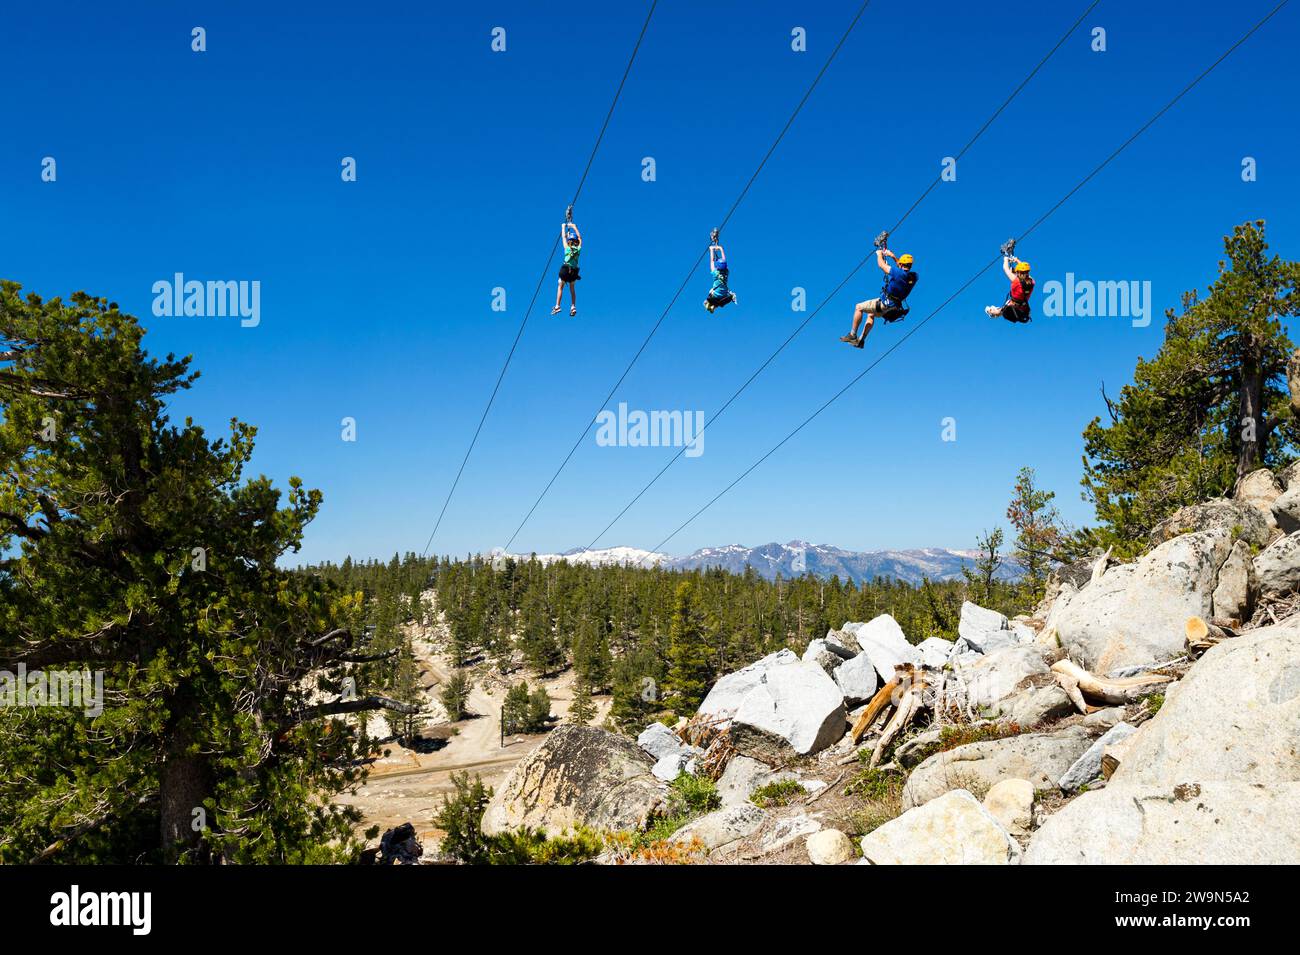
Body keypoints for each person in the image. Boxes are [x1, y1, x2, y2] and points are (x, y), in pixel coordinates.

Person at [839, 246, 917, 348]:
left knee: (858, 307)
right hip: (893, 308)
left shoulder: (898, 273)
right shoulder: (914, 276)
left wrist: (879, 254)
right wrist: (893, 256)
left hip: (884, 304)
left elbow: (881, 265)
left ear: (901, 264)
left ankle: (853, 335)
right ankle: (861, 341)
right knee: (870, 314)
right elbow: (901, 267)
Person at [985, 256, 1034, 323]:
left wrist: (1006, 259)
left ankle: (993, 312)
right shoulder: (1032, 282)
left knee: (999, 311)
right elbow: (1026, 273)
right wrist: (1017, 261)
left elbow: (1005, 269)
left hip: (1013, 305)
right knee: (1003, 308)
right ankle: (996, 312)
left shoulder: (1016, 281)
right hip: (1023, 307)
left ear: (1019, 272)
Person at [551, 222, 582, 316]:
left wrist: (563, 227)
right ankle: (573, 306)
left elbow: (564, 238)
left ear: (569, 241)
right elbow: (580, 238)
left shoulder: (567, 248)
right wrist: (574, 227)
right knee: (572, 289)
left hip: (565, 270)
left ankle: (557, 306)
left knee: (560, 287)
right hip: (573, 272)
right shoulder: (578, 249)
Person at [704, 241, 737, 313]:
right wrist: (721, 248)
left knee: (711, 295)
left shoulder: (715, 273)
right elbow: (724, 260)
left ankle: (709, 305)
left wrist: (711, 249)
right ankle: (713, 306)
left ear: (718, 267)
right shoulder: (727, 272)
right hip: (724, 296)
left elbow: (712, 261)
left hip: (716, 296)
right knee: (718, 298)